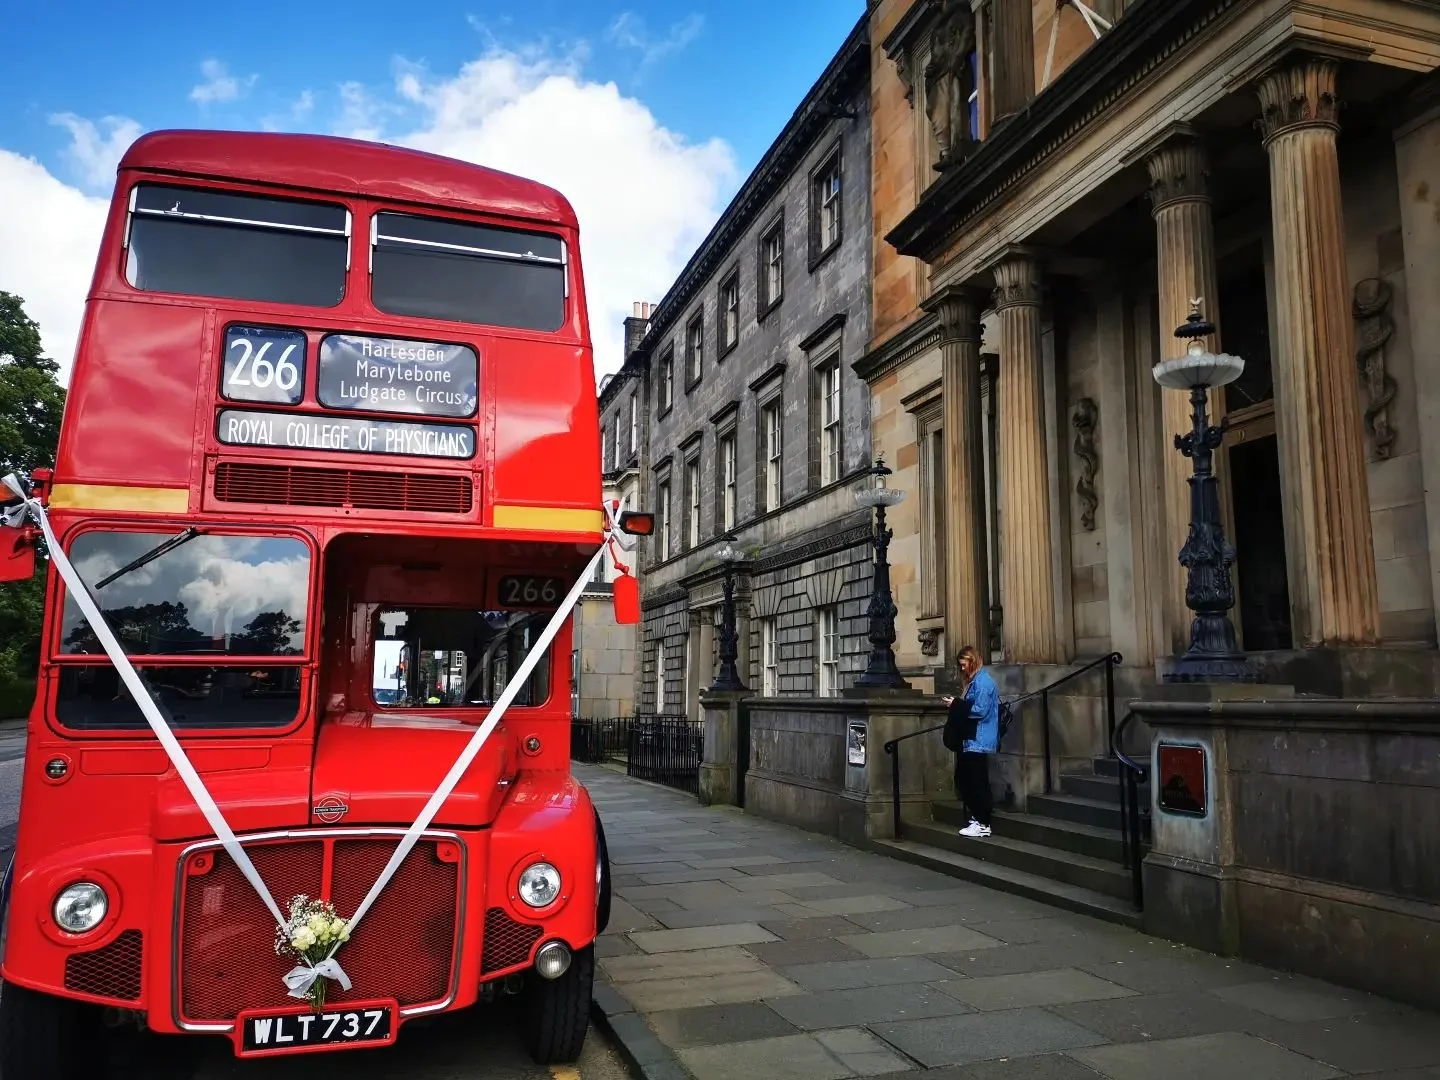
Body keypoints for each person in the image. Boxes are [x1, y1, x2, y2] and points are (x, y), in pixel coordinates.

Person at [941, 644, 999, 838]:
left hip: (978, 739)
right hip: (971, 740)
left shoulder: (983, 682)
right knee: (965, 781)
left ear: (973, 661)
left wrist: (955, 704)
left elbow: (980, 710)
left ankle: (983, 823)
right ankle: (978, 818)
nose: (962, 668)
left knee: (975, 782)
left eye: (964, 664)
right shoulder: (975, 681)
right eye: (961, 665)